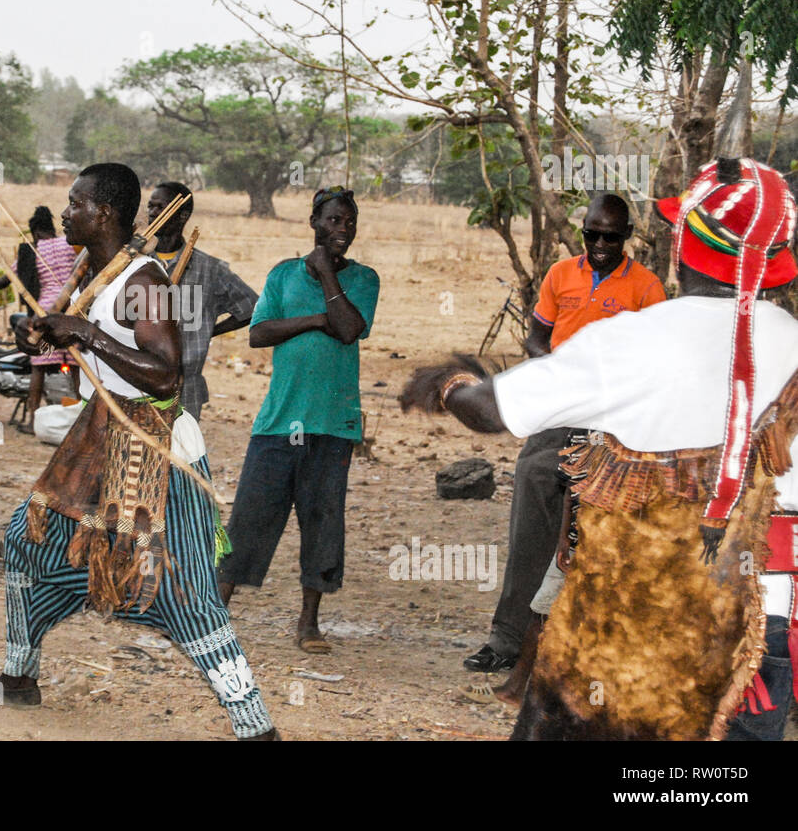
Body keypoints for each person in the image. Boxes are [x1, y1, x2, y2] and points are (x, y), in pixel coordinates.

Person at [403, 156, 797, 740]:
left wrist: (450, 383)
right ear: (776, 264)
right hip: (761, 625)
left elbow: (493, 410)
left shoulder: (632, 340)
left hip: (635, 623)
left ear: (683, 239)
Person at [0, 163, 277, 739]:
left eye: (75, 203)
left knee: (187, 593)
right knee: (28, 542)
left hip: (155, 445)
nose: (66, 210)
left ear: (102, 213)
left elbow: (167, 375)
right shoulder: (96, 271)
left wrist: (86, 334)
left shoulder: (142, 282)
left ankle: (257, 729)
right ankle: (19, 678)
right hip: (103, 435)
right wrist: (44, 331)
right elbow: (78, 334)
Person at [463, 194, 667, 685]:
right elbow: (536, 337)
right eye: (591, 234)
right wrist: (558, 363)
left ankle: (590, 647)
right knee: (532, 510)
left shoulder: (646, 287)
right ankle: (507, 640)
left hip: (615, 417)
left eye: (610, 237)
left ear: (627, 237)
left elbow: (658, 356)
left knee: (601, 531)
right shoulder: (560, 275)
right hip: (559, 409)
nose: (599, 245)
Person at [217, 187, 379, 654]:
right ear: (314, 222)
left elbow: (348, 328)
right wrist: (314, 319)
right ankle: (215, 612)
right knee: (250, 517)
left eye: (348, 221)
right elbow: (259, 332)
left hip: (333, 424)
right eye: (332, 220)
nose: (341, 229)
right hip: (278, 421)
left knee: (322, 523)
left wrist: (329, 275)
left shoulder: (364, 279)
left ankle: (309, 623)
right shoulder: (283, 275)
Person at [146, 182, 258, 421]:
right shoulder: (136, 264)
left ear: (182, 216)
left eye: (160, 207)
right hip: (137, 384)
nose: (152, 213)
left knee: (180, 455)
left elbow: (252, 307)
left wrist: (209, 331)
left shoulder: (209, 269)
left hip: (185, 389)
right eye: (150, 206)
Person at [15, 205, 76, 433]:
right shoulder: (68, 244)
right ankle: (79, 420)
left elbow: (15, 274)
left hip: (42, 314)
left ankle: (32, 420)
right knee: (76, 365)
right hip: (70, 311)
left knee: (38, 368)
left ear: (35, 231)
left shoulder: (33, 250)